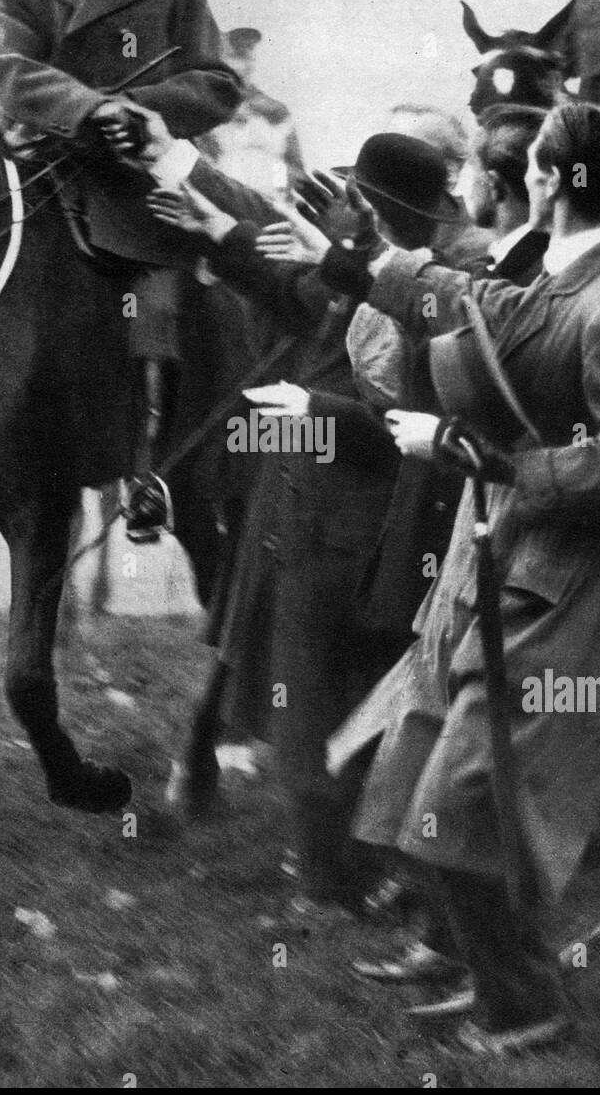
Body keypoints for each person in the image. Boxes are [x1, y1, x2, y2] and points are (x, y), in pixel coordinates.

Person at [325, 102, 600, 1054]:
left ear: (550, 180)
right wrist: (363, 260)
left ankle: (528, 1005)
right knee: (428, 781)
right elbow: (478, 309)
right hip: (499, 569)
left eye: (530, 160)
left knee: (464, 801)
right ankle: (493, 979)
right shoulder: (558, 266)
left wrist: (491, 462)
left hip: (563, 591)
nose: (519, 174)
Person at [149, 135, 464, 915]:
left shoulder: (426, 296)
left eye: (357, 199)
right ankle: (366, 873)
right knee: (340, 714)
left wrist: (312, 412)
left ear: (379, 214)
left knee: (316, 717)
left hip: (351, 533)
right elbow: (292, 292)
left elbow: (412, 423)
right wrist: (215, 231)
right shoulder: (369, 276)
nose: (341, 212)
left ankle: (334, 885)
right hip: (307, 520)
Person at [0, 0, 242, 538]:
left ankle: (146, 475)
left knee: (154, 310)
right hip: (45, 166)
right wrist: (89, 108)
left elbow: (219, 83)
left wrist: (141, 112)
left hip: (134, 182)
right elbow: (13, 69)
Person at [196, 27, 306, 202]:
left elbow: (290, 167)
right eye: (236, 56)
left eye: (249, 56)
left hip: (270, 206)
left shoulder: (275, 111)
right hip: (217, 204)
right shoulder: (198, 108)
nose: (246, 66)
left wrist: (278, 190)